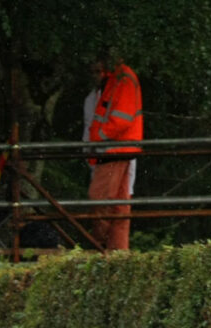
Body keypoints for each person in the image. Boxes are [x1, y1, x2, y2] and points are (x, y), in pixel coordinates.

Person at [85, 52, 142, 251]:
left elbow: (121, 119)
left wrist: (98, 136)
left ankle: (100, 247)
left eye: (98, 70)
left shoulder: (121, 81)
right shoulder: (115, 82)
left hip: (114, 150)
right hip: (119, 150)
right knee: (119, 207)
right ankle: (117, 251)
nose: (96, 75)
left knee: (99, 198)